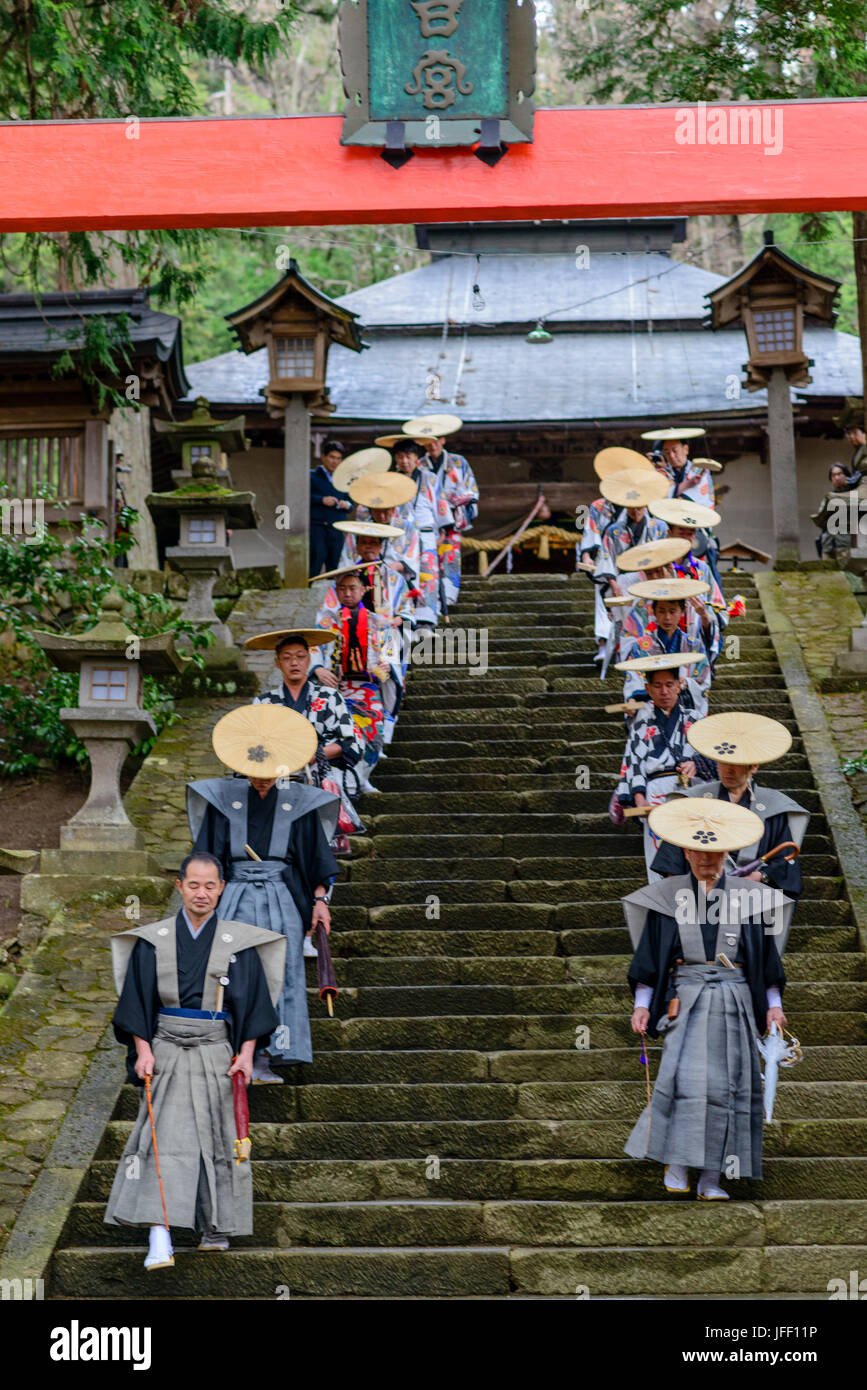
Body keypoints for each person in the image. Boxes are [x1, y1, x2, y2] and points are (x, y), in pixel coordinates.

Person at [104, 851, 286, 1268]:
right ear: (179, 886)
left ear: (222, 888)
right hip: (165, 1046)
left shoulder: (238, 943)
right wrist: (143, 1049)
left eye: (210, 885)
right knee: (161, 1139)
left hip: (217, 1049)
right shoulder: (154, 941)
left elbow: (254, 1003)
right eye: (193, 884)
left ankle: (215, 1226)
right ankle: (159, 1234)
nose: (201, 893)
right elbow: (136, 998)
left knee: (218, 1138)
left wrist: (246, 1055)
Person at [623, 797, 793, 1200]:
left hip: (734, 999)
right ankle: (677, 1164)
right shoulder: (666, 898)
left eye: (714, 851)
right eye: (697, 851)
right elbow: (649, 958)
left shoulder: (751, 899)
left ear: (727, 853)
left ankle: (713, 1178)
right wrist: (642, 1005)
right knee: (686, 1082)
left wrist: (774, 1005)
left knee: (727, 1086)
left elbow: (767, 963)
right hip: (687, 997)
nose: (705, 859)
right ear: (685, 851)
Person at [186, 705, 339, 1082]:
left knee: (282, 972)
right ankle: (233, 1051)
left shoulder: (297, 803)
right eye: (255, 774)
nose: (262, 781)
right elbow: (206, 857)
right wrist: (203, 899)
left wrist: (319, 901)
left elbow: (315, 858)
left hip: (281, 898)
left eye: (269, 775)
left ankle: (274, 1052)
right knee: (229, 971)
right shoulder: (224, 801)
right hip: (234, 894)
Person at [650, 711, 808, 900]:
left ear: (754, 766)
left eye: (736, 763)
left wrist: (758, 876)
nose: (727, 770)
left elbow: (784, 861)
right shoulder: (695, 801)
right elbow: (672, 859)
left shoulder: (773, 806)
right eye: (723, 762)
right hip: (699, 894)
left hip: (750, 896)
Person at [247, 627, 365, 850]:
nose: (294, 663)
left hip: (320, 780)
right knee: (281, 849)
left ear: (309, 660)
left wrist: (314, 755)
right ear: (277, 663)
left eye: (300, 657)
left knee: (320, 853)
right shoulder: (264, 702)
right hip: (276, 784)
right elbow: (251, 750)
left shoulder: (329, 697)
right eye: (287, 658)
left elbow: (352, 742)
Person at [613, 654, 709, 876]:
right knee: (660, 860)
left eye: (669, 685)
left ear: (678, 686)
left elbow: (711, 755)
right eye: (657, 686)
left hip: (691, 789)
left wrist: (696, 763)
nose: (663, 691)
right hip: (655, 792)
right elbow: (633, 762)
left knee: (695, 851)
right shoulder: (640, 726)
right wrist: (638, 795)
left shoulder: (694, 719)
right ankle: (663, 908)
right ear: (647, 688)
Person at [310, 562, 392, 789]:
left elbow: (391, 651)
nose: (347, 593)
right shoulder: (327, 623)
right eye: (342, 588)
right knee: (344, 735)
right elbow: (314, 650)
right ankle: (346, 780)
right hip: (338, 688)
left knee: (373, 733)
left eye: (352, 588)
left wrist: (387, 664)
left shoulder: (378, 622)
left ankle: (363, 779)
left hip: (368, 688)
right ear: (336, 592)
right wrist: (318, 669)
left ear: (363, 590)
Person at [592, 468, 670, 663]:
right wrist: (612, 582)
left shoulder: (658, 527)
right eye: (631, 507)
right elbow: (605, 558)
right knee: (623, 612)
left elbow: (667, 554)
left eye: (639, 506)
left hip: (652, 578)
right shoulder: (613, 531)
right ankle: (625, 652)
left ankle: (653, 651)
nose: (635, 511)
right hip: (623, 579)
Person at [391, 437, 452, 626]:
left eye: (408, 456)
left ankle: (426, 620)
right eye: (400, 457)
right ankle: (404, 615)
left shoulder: (430, 478)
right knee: (403, 574)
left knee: (427, 574)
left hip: (426, 533)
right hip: (401, 536)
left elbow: (441, 505)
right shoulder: (391, 480)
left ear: (416, 457)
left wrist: (443, 532)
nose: (405, 461)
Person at [619, 588, 715, 704]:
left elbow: (703, 681)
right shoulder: (641, 646)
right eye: (662, 611)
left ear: (683, 611)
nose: (667, 617)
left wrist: (686, 683)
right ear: (654, 612)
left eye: (672, 611)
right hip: (651, 708)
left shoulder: (694, 645)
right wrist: (633, 698)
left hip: (684, 708)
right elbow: (633, 679)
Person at [421, 423, 479, 606]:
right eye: (429, 441)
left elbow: (472, 491)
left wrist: (454, 499)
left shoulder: (458, 462)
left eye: (437, 439)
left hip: (452, 518)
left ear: (443, 440)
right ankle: (428, 598)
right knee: (427, 558)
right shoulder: (419, 465)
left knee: (450, 556)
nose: (433, 444)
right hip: (428, 521)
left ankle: (449, 596)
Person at [347, 469, 422, 591]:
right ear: (370, 510)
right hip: (363, 582)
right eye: (377, 511)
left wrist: (392, 568)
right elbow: (348, 559)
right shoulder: (359, 530)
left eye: (386, 511)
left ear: (393, 510)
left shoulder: (407, 528)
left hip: (396, 580)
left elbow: (411, 559)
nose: (382, 516)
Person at [310, 439, 353, 576]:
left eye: (339, 458)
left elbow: (351, 501)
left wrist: (347, 504)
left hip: (337, 528)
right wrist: (321, 500)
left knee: (335, 567)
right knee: (314, 564)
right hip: (317, 527)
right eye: (332, 457)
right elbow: (300, 498)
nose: (335, 462)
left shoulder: (344, 479)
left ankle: (333, 597)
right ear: (323, 456)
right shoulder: (311, 476)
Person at [812, 462, 860, 559]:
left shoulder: (854, 495)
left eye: (839, 474)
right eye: (833, 475)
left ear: (846, 476)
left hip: (845, 546)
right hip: (828, 545)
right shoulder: (828, 498)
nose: (836, 478)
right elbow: (820, 519)